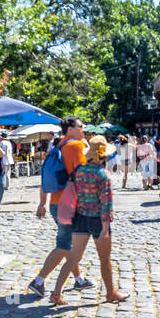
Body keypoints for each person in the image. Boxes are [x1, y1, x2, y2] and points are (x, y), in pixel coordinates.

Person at [49, 138, 127, 307]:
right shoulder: (102, 175)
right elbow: (107, 204)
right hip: (98, 220)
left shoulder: (79, 171)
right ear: (104, 157)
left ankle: (56, 293)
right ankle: (110, 292)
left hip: (80, 218)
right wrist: (105, 228)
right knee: (104, 260)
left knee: (73, 258)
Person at [29, 119, 94, 295]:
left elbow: (45, 180)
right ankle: (38, 281)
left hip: (57, 204)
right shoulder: (75, 146)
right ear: (71, 129)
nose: (83, 129)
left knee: (68, 245)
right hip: (70, 204)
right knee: (65, 245)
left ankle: (79, 279)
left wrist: (42, 203)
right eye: (81, 126)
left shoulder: (58, 147)